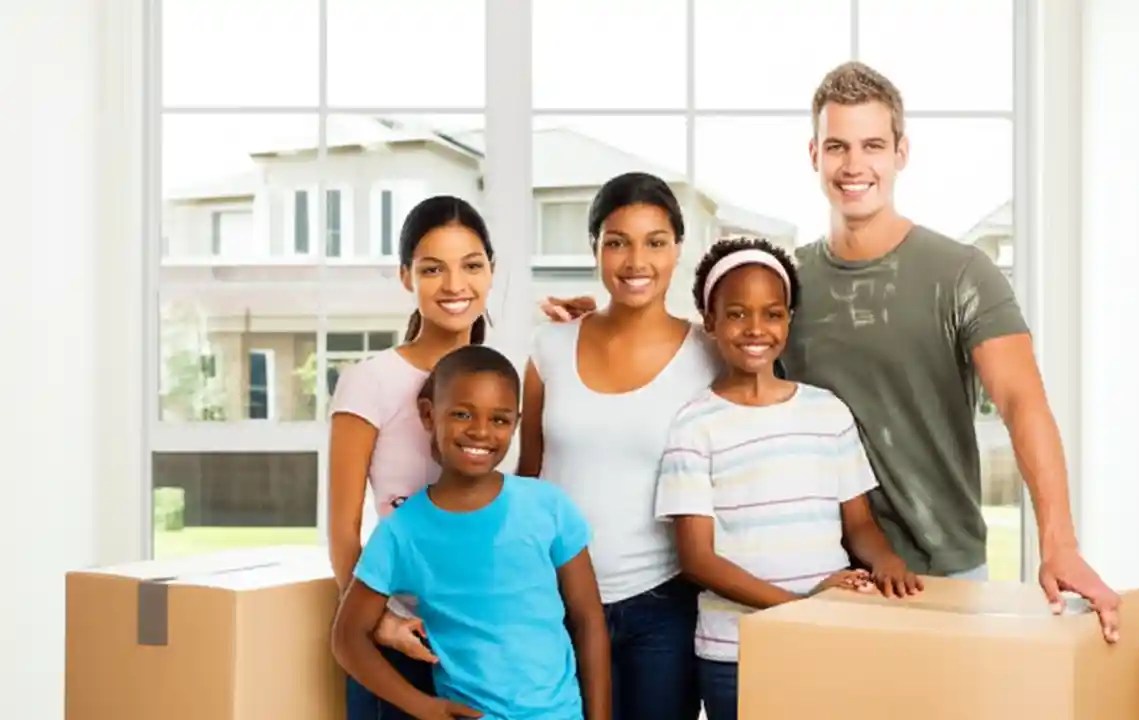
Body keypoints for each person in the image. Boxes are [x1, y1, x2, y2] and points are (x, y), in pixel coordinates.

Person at [542, 61, 1122, 642]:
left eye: (872, 144)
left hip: (944, 570)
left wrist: (1059, 542)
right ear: (814, 154)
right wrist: (607, 322)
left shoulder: (963, 273)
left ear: (901, 152)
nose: (854, 165)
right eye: (838, 146)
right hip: (828, 584)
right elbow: (715, 344)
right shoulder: (786, 286)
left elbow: (1022, 401)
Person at [655, 238, 920, 720]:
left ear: (789, 319)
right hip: (735, 653)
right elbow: (697, 558)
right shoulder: (694, 425)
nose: (756, 328)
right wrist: (798, 606)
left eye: (771, 313)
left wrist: (886, 561)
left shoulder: (828, 411)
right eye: (737, 314)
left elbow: (858, 525)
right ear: (709, 322)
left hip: (826, 641)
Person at [517, 172, 717, 720]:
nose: (636, 261)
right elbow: (527, 478)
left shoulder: (710, 354)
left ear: (678, 249)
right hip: (554, 601)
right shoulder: (549, 346)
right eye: (617, 241)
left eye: (655, 241)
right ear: (595, 249)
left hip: (664, 605)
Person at [332, 344, 611, 720]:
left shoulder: (548, 506)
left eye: (499, 420)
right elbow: (347, 638)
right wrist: (423, 707)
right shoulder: (403, 533)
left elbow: (589, 620)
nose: (480, 432)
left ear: (515, 423)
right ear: (429, 415)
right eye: (462, 414)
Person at [328, 195, 495, 719]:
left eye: (471, 266)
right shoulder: (369, 381)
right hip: (396, 642)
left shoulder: (501, 377)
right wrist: (381, 624)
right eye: (432, 269)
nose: (454, 285)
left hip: (479, 640)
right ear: (406, 277)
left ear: (492, 272)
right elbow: (341, 527)